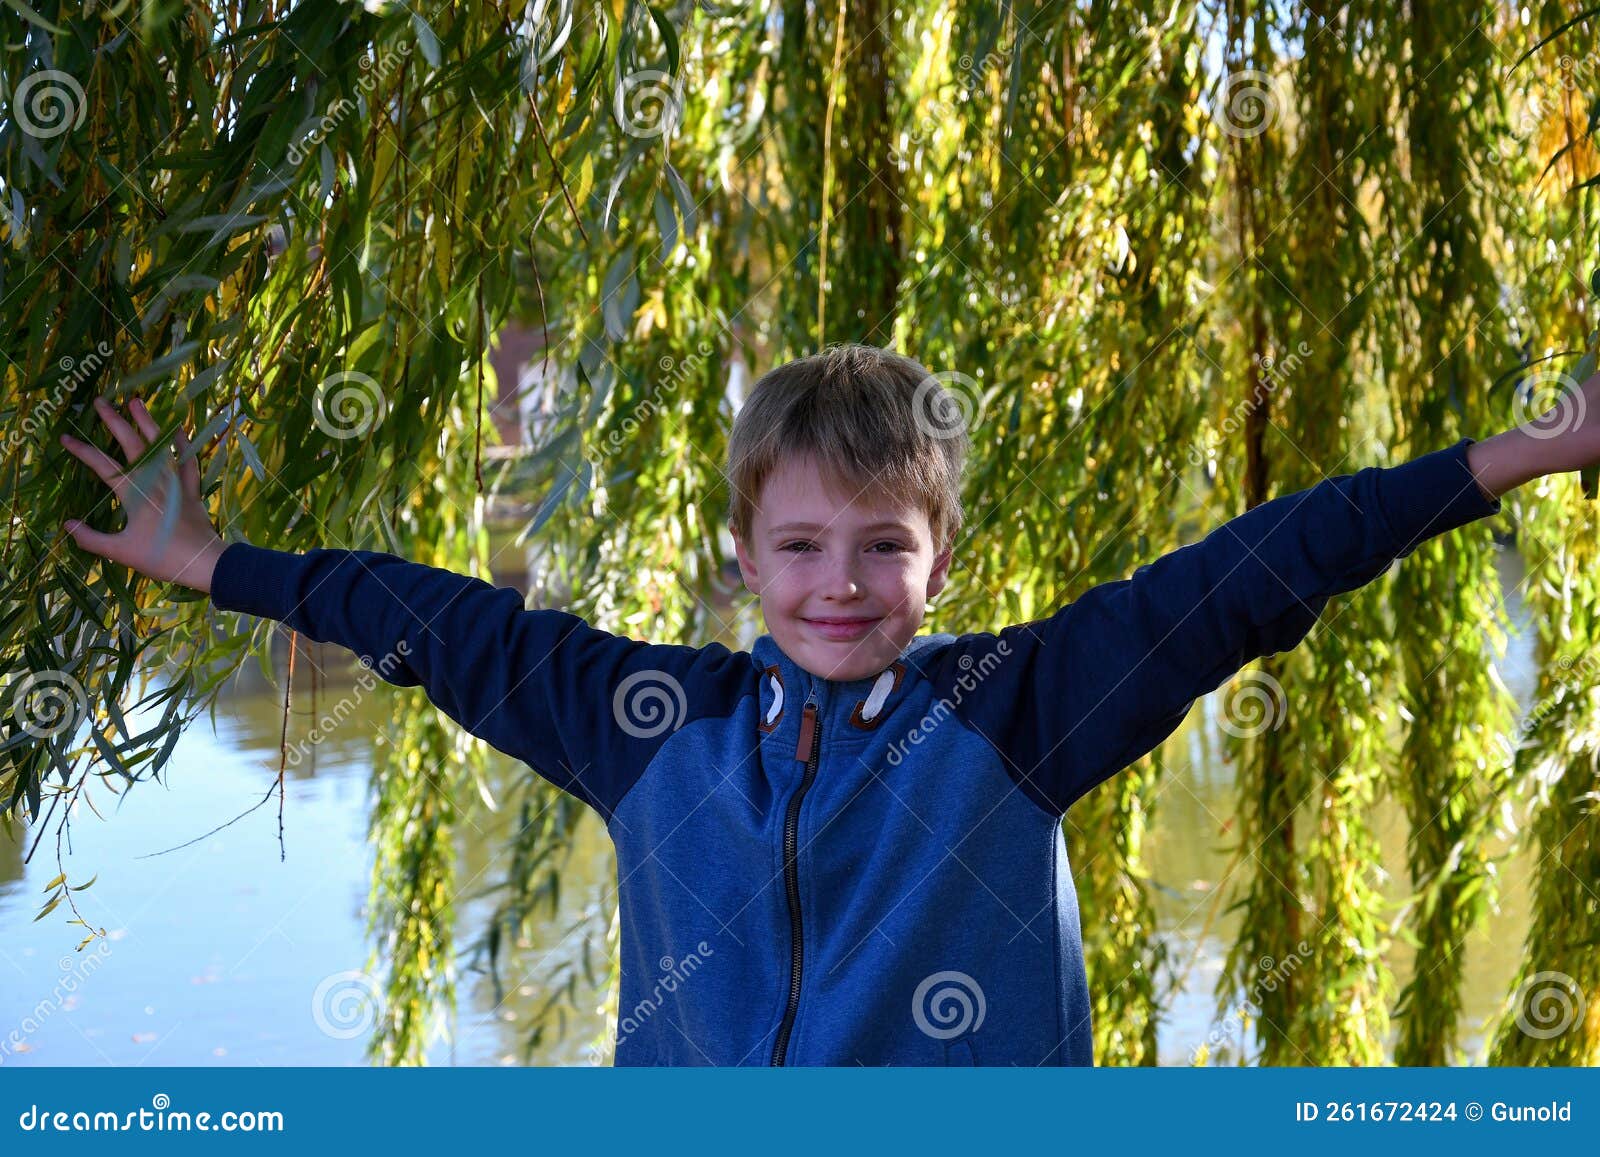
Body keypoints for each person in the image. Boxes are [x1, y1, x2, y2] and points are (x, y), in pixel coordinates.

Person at [57, 343, 1598, 1065]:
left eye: (883, 547)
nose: (840, 584)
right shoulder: (648, 721)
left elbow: (1254, 571)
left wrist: (1514, 456)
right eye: (801, 545)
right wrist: (210, 559)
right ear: (744, 555)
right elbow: (436, 627)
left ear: (940, 559)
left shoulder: (1016, 711)